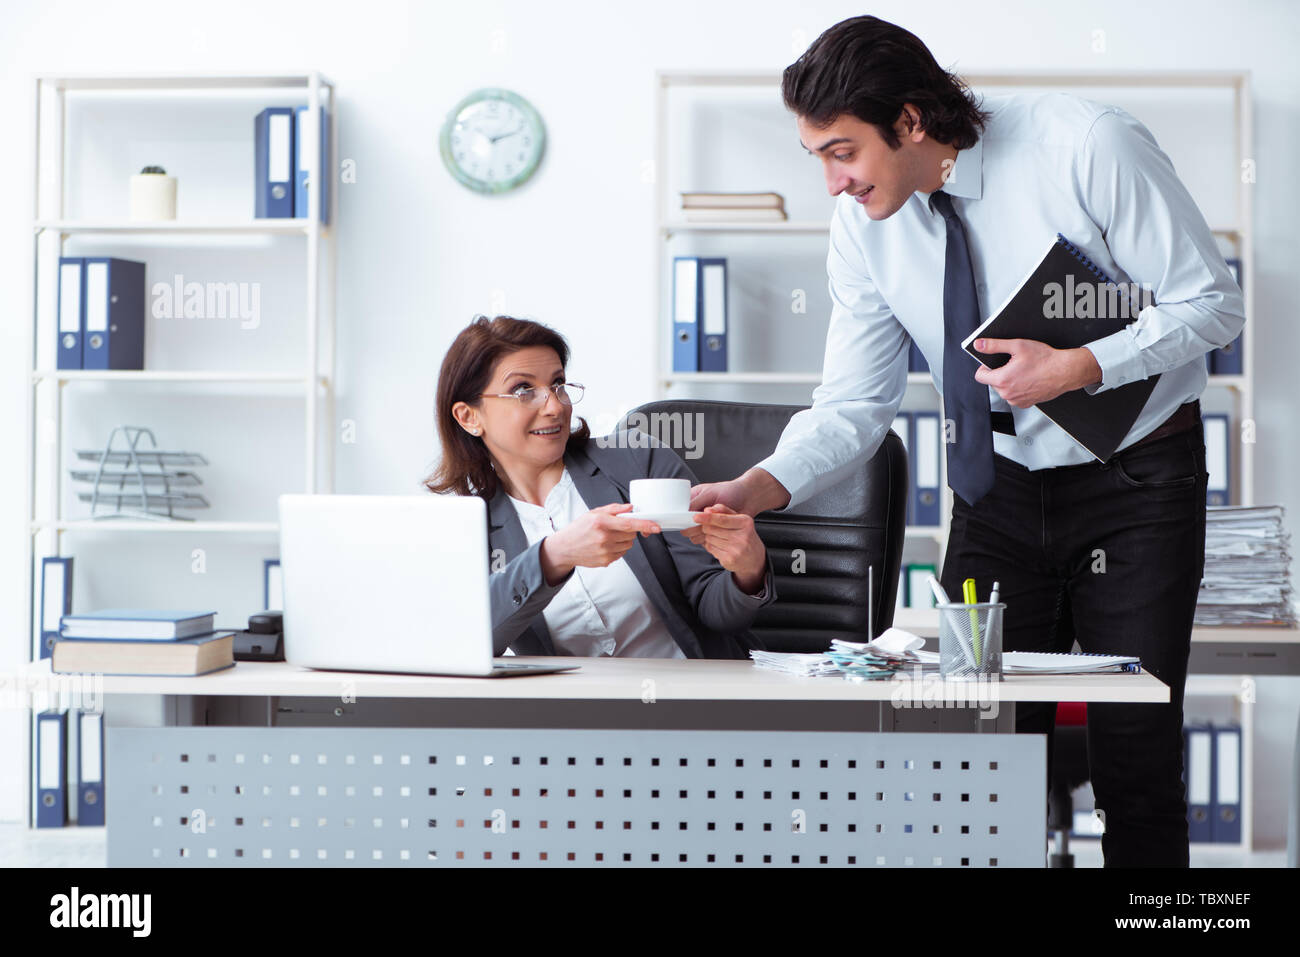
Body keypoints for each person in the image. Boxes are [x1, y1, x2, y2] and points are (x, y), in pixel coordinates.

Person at [690, 16, 1244, 866]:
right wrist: (753, 488)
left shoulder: (1085, 145)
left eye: (843, 152)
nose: (834, 182)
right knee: (968, 766)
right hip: (997, 494)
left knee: (1134, 762)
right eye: (819, 160)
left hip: (1135, 483)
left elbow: (1212, 303)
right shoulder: (864, 226)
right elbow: (852, 404)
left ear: (911, 122)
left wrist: (1082, 365)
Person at [425, 315, 775, 659]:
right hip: (573, 711)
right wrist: (553, 555)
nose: (554, 405)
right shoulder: (468, 523)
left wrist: (748, 572)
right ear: (469, 417)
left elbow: (718, 613)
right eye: (523, 389)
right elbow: (469, 640)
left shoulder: (639, 461)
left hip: (691, 700)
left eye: (558, 384)